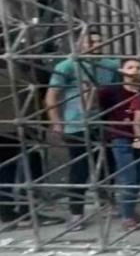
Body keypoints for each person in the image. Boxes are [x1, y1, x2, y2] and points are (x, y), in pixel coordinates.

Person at [45, 31, 120, 231]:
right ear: (79, 44)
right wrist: (56, 122)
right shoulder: (67, 65)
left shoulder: (111, 65)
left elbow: (116, 92)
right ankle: (76, 213)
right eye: (90, 42)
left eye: (99, 41)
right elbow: (51, 96)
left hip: (103, 122)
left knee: (108, 164)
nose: (96, 45)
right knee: (80, 169)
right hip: (76, 124)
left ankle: (108, 201)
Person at [0, 60, 62, 228]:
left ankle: (10, 213)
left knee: (10, 171)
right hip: (17, 129)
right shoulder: (20, 70)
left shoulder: (19, 69)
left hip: (19, 128)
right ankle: (23, 213)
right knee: (26, 171)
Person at [97, 58, 140, 231]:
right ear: (122, 71)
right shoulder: (112, 91)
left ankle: (129, 209)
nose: (135, 70)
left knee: (139, 176)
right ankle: (127, 216)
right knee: (129, 178)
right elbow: (96, 108)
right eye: (130, 67)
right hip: (120, 137)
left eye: (138, 67)